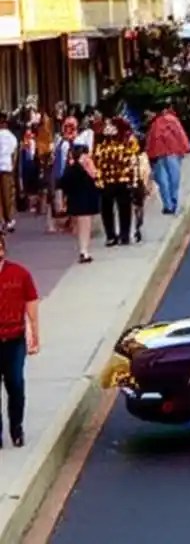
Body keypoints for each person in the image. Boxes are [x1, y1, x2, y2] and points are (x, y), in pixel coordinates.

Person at [0, 235, 39, 448]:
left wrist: (34, 333)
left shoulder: (19, 273)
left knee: (15, 384)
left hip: (14, 339)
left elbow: (31, 302)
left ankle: (16, 428)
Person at [95, 118, 141, 247]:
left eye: (111, 126)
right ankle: (110, 235)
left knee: (124, 208)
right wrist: (98, 178)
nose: (107, 128)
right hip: (106, 180)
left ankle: (124, 235)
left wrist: (134, 180)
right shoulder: (101, 141)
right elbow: (97, 160)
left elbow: (134, 159)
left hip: (123, 179)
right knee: (106, 209)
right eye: (106, 125)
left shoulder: (128, 140)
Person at [144, 101, 190, 215]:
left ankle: (168, 205)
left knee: (163, 180)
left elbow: (151, 141)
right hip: (173, 152)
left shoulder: (156, 123)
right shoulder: (171, 119)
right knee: (173, 178)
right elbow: (180, 134)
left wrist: (149, 154)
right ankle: (172, 202)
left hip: (160, 154)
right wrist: (186, 148)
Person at [58, 144, 100, 263]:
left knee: (83, 227)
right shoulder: (79, 167)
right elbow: (95, 177)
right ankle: (84, 251)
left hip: (81, 201)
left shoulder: (77, 167)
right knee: (84, 227)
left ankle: (84, 250)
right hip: (83, 201)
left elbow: (63, 184)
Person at [0, 114, 16, 232]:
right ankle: (9, 220)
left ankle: (0, 220)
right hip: (6, 168)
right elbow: (14, 153)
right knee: (8, 195)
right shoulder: (11, 136)